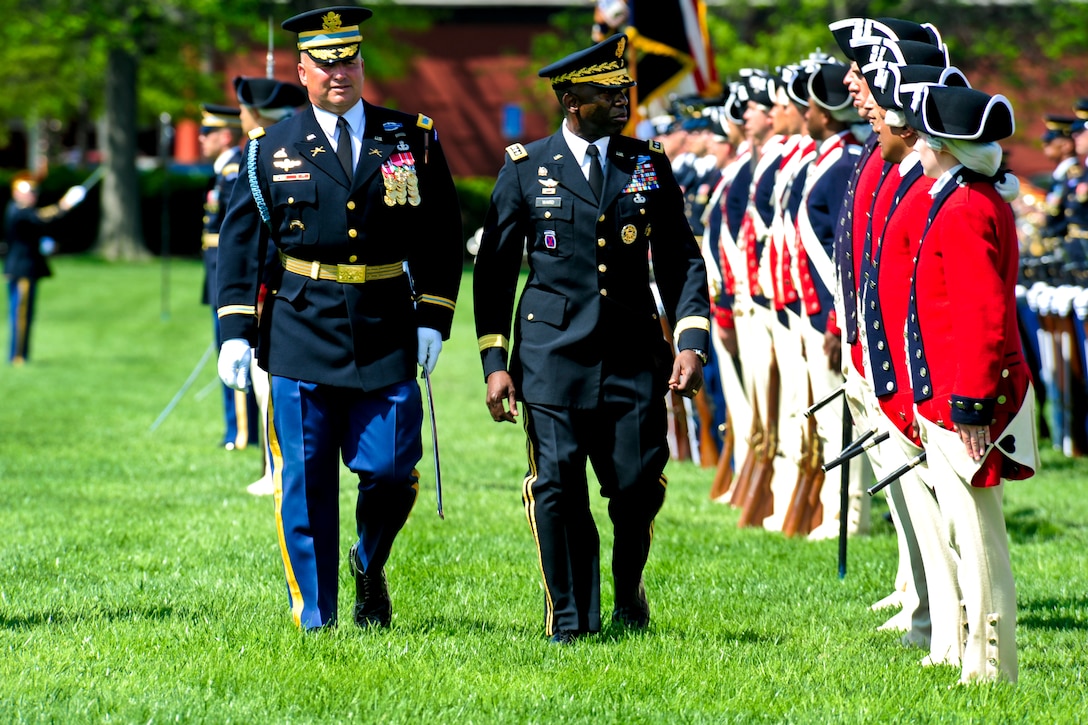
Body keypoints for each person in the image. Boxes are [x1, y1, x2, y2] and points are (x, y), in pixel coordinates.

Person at [215, 5, 463, 631]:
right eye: (323, 63)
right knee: (307, 482)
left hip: (385, 325)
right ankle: (317, 616)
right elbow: (242, 245)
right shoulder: (269, 147)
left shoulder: (411, 138)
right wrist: (235, 332)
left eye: (347, 59)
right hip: (300, 330)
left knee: (388, 469)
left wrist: (434, 315)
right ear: (302, 71)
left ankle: (367, 562)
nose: (337, 73)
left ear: (361, 62)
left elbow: (441, 233)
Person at [473, 33, 710, 644]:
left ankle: (628, 589)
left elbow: (682, 260)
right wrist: (495, 361)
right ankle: (570, 617)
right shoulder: (526, 168)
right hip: (551, 358)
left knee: (636, 485)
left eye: (625, 88)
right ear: (570, 99)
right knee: (556, 484)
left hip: (632, 354)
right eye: (608, 92)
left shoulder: (646, 165)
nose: (624, 99)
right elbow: (495, 271)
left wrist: (689, 340)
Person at [904, 83, 1039, 685]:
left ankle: (991, 668)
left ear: (947, 146)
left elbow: (981, 314)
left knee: (979, 536)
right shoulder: (959, 199)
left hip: (968, 394)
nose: (920, 144)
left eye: (929, 136)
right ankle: (976, 659)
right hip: (950, 389)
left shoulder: (964, 209)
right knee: (966, 528)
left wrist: (971, 405)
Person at [229, 76, 308, 496]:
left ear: (256, 113)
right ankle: (270, 466)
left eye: (244, 109)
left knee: (272, 390)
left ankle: (275, 469)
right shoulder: (260, 149)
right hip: (266, 293)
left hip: (275, 294)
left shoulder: (270, 151)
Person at [198, 104, 259, 452]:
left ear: (224, 136)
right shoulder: (222, 171)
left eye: (207, 134)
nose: (201, 140)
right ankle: (235, 427)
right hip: (216, 273)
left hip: (228, 276)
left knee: (234, 349)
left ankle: (242, 431)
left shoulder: (234, 169)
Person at [4, 173, 85, 365]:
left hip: (24, 268)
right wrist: (66, 204)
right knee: (21, 314)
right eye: (29, 192)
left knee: (24, 314)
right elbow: (42, 217)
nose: (33, 196)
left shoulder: (21, 211)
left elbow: (33, 230)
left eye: (34, 192)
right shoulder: (19, 211)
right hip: (22, 269)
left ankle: (20, 354)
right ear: (17, 193)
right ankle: (17, 356)